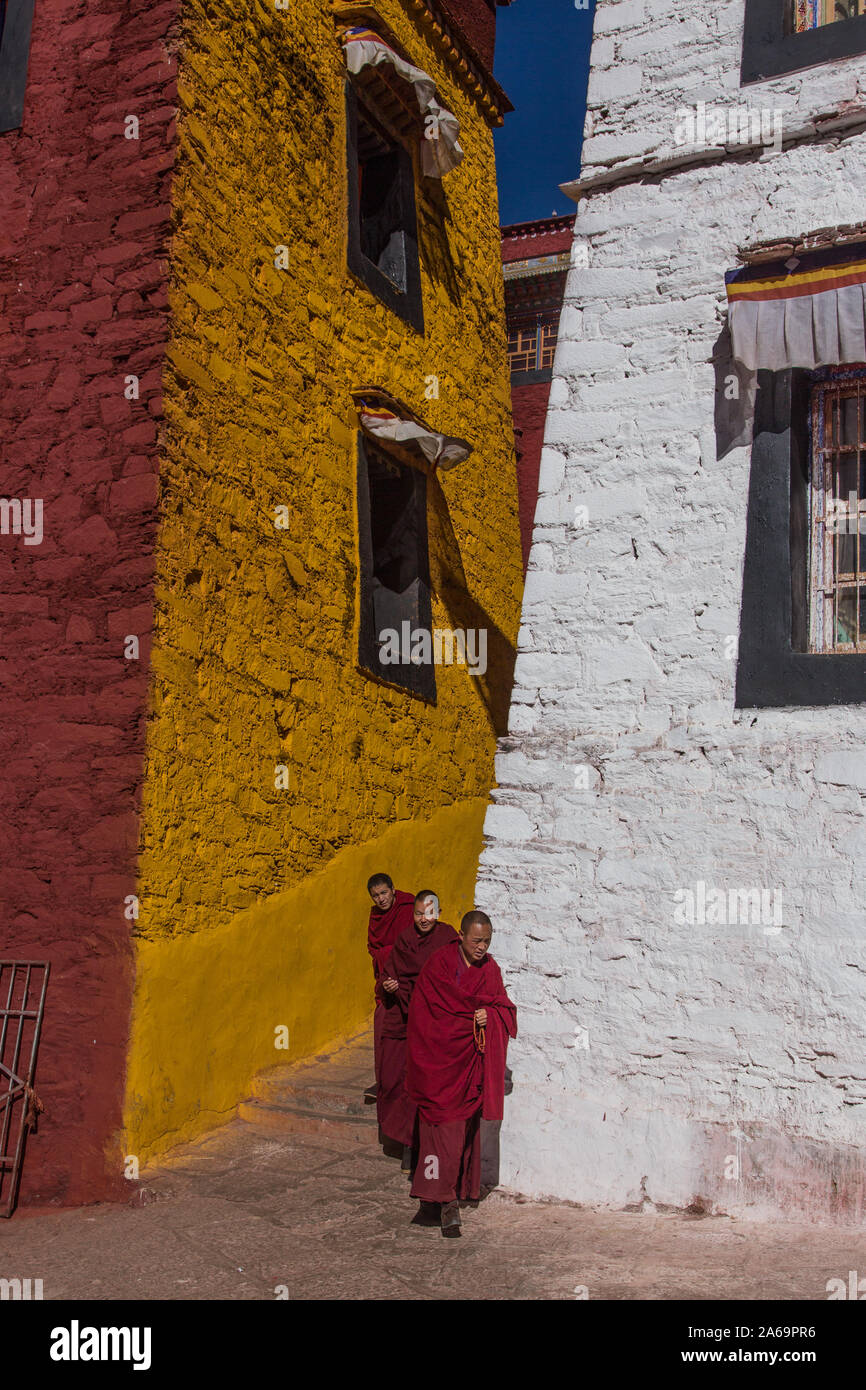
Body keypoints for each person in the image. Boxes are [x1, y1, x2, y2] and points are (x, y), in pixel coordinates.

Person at [405, 909, 517, 1238]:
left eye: (487, 941)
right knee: (435, 1132)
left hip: (468, 1066)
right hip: (438, 1062)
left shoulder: (491, 970)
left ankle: (447, 1199)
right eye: (476, 940)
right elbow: (424, 1010)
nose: (482, 947)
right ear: (463, 936)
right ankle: (434, 1199)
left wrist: (489, 1016)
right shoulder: (440, 964)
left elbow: (505, 1010)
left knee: (457, 1135)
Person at [377, 892, 457, 1172]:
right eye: (419, 914)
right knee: (400, 1082)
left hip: (435, 1024)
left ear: (439, 912)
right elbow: (390, 973)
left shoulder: (448, 939)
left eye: (430, 913)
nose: (424, 919)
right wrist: (389, 985)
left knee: (428, 1087)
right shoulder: (405, 939)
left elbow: (451, 981)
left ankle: (426, 1148)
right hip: (407, 1020)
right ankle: (408, 1146)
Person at [365, 874, 414, 1102]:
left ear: (393, 890)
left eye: (384, 893)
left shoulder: (408, 907)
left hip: (407, 980)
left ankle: (407, 1081)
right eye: (376, 896)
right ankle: (384, 1081)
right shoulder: (375, 916)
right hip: (385, 981)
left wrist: (391, 956)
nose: (381, 899)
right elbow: (372, 946)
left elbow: (415, 942)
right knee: (382, 1029)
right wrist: (385, 958)